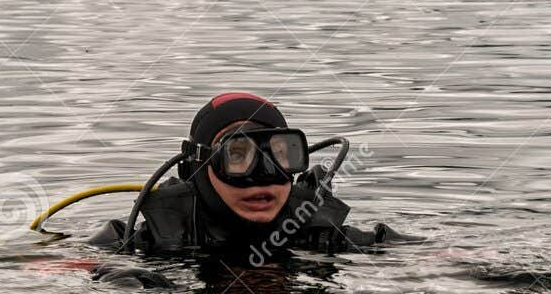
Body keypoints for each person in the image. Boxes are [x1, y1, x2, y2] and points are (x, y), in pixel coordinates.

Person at [89, 91, 406, 261]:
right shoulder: (135, 239)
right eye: (238, 157)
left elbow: (428, 257)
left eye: (280, 156)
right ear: (200, 167)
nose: (265, 176)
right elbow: (59, 269)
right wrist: (118, 276)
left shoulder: (321, 231)